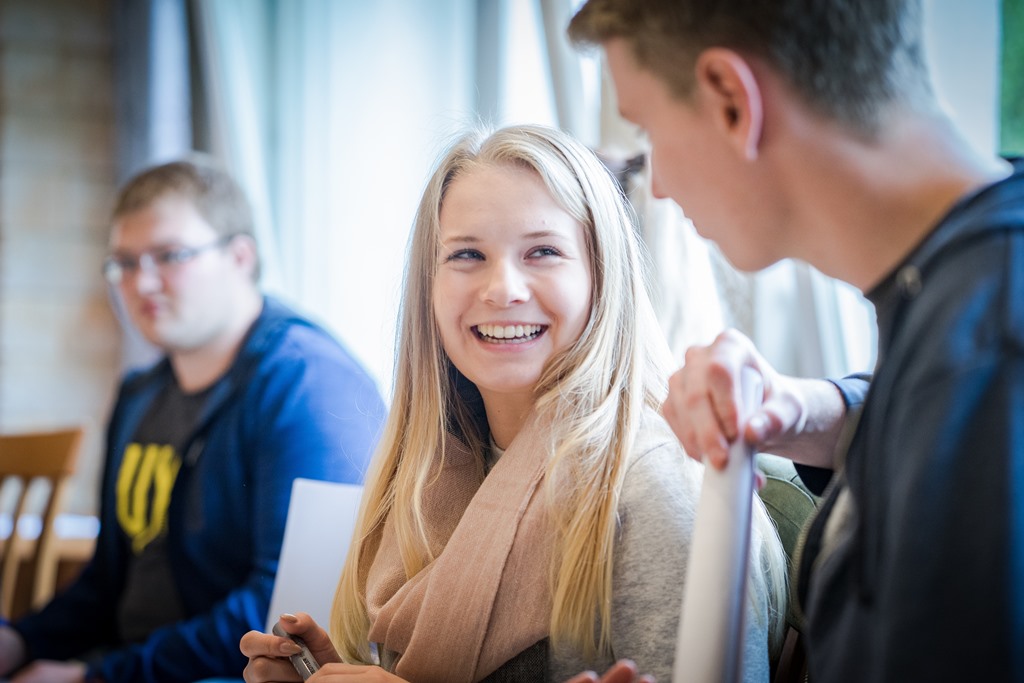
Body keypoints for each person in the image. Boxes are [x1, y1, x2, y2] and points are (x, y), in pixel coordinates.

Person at [568, 1, 1024, 681]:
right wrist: (813, 410)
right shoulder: (957, 289)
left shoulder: (982, 352)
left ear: (730, 100)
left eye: (648, 130)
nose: (656, 183)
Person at [239, 124, 788, 682]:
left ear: (603, 278)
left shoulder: (653, 488)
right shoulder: (428, 476)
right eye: (467, 254)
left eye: (543, 252)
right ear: (428, 286)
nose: (502, 289)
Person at [0, 158, 387, 683]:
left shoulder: (309, 386)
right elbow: (109, 581)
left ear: (240, 256)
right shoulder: (141, 392)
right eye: (125, 263)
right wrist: (21, 639)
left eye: (169, 255)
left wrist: (97, 679)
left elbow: (285, 611)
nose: (142, 283)